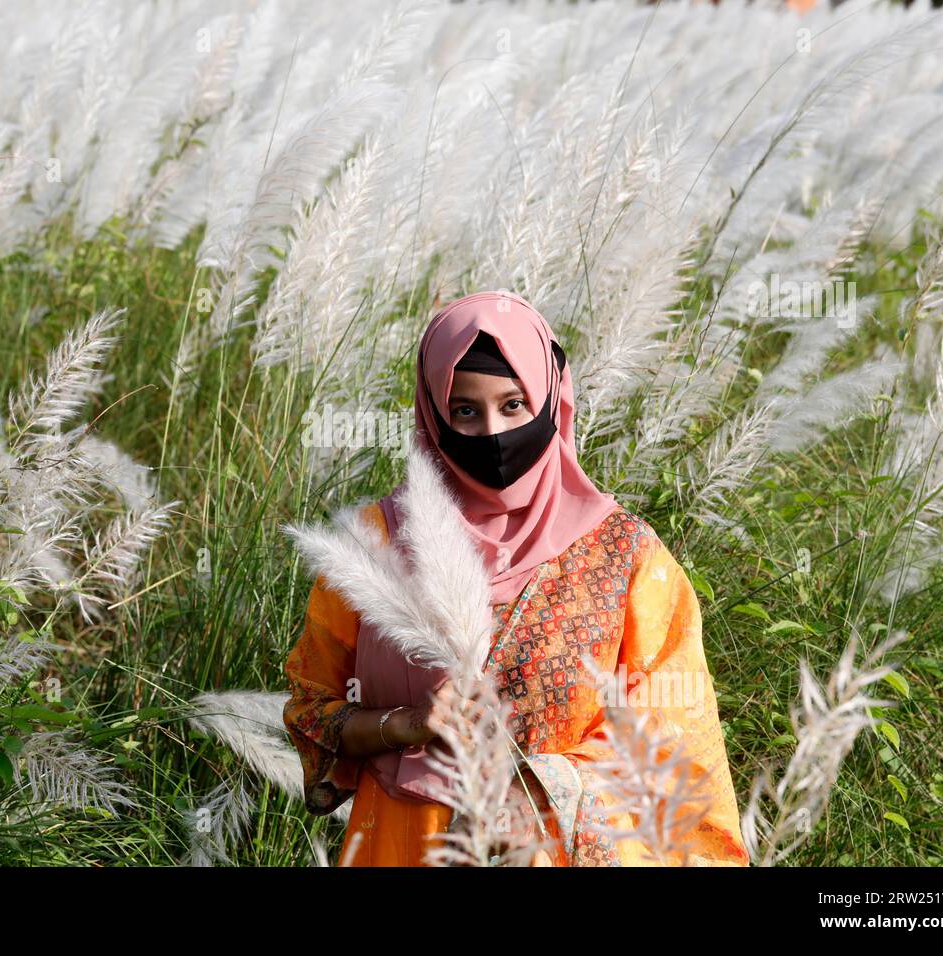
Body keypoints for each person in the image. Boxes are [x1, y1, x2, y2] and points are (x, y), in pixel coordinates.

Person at [282, 290, 749, 866]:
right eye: (465, 411)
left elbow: (675, 742)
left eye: (513, 405)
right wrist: (402, 726)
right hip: (402, 847)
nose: (492, 434)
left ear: (552, 399)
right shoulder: (374, 544)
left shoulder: (624, 557)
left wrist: (543, 793)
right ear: (432, 414)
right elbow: (310, 709)